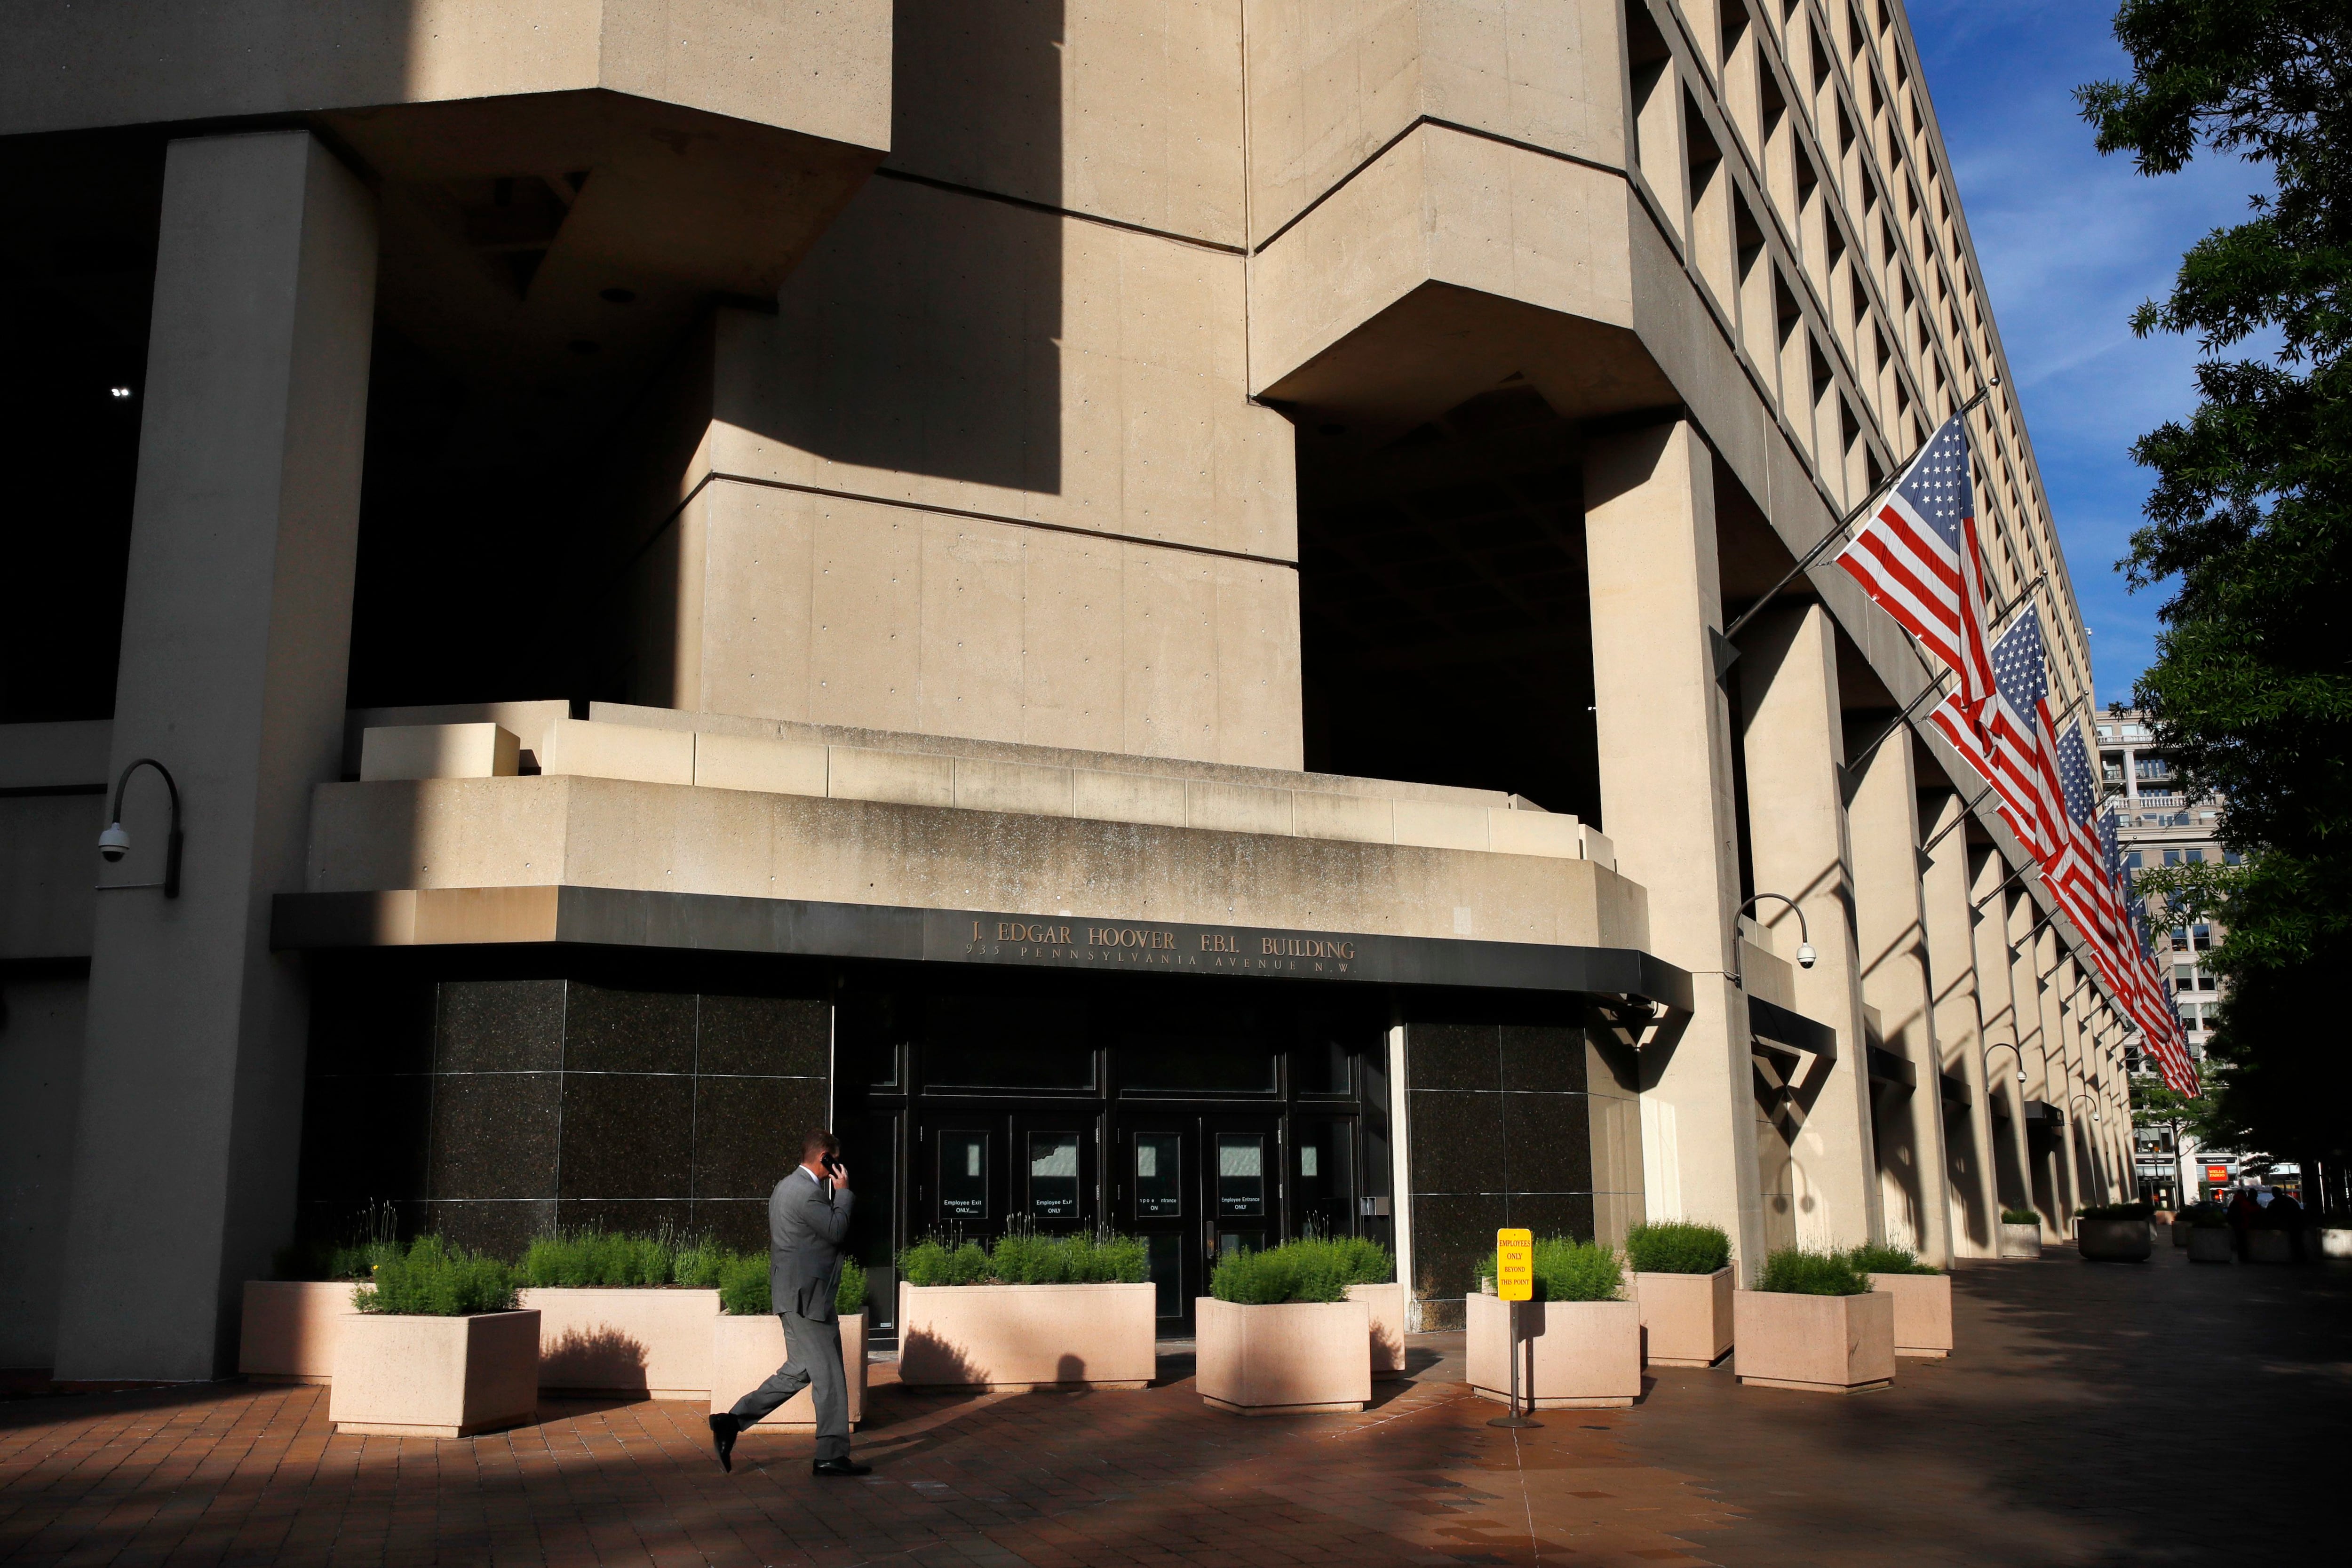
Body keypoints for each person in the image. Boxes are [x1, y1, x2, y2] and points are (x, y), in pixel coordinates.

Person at [708, 1129, 869, 1477]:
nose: (836, 1168)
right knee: (829, 1377)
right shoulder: (808, 1193)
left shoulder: (784, 1187)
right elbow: (837, 1229)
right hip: (808, 1299)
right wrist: (843, 1194)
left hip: (792, 1295)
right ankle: (831, 1454)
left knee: (799, 1371)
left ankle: (732, 1420)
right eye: (834, 1161)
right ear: (824, 1156)